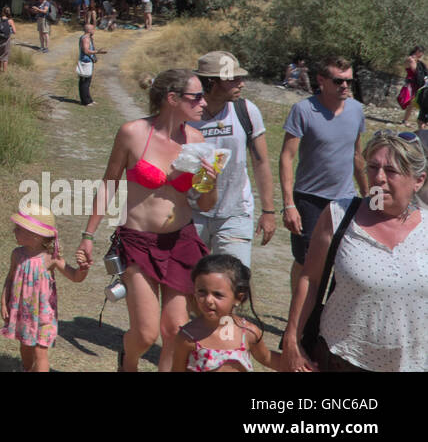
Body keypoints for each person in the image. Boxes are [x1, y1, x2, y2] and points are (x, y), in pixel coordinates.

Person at [78, 69, 220, 372]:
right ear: (172, 98)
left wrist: (211, 182)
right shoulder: (132, 133)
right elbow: (109, 183)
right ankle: (128, 360)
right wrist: (87, 236)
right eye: (196, 97)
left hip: (181, 242)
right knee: (145, 334)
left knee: (175, 332)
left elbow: (205, 203)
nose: (203, 103)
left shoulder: (196, 139)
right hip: (137, 242)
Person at [280, 130, 428, 372]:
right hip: (342, 360)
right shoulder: (339, 215)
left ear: (418, 180)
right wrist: (292, 339)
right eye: (373, 167)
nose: (379, 178)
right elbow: (310, 278)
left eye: (391, 171)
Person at [279, 56, 366, 294]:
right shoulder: (303, 110)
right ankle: (297, 320)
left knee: (342, 262)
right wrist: (288, 205)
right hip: (309, 199)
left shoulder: (357, 110)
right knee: (307, 263)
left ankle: (321, 323)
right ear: (321, 80)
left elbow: (358, 157)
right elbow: (287, 157)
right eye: (338, 81)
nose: (345, 86)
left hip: (345, 200)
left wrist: (370, 197)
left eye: (349, 81)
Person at [189, 52, 274, 268]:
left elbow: (261, 162)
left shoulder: (246, 111)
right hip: (190, 213)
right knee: (188, 284)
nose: (241, 84)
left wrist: (268, 211)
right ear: (211, 83)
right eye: (233, 79)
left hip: (235, 212)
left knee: (233, 282)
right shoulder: (186, 113)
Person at [0, 204, 89, 371]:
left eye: (18, 229)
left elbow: (75, 277)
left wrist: (83, 269)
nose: (14, 231)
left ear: (36, 235)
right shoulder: (17, 254)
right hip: (23, 312)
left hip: (43, 314)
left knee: (41, 352)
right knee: (25, 348)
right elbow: (10, 278)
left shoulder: (51, 258)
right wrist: (4, 302)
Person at [169, 255, 279, 372]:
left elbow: (267, 358)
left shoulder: (248, 333)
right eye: (202, 292)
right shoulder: (188, 337)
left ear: (238, 298)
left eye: (217, 294)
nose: (208, 300)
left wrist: (297, 363)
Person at [78, 24, 104, 106]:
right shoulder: (86, 38)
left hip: (88, 61)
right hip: (85, 61)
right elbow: (86, 51)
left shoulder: (88, 38)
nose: (94, 31)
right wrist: (97, 52)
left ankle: (89, 99)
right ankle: (85, 101)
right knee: (84, 82)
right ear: (89, 30)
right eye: (93, 29)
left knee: (87, 82)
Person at [401, 46, 426, 125]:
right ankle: (405, 120)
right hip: (412, 82)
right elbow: (415, 71)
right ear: (417, 52)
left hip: (415, 82)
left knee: (413, 102)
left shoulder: (417, 60)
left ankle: (406, 120)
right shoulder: (411, 59)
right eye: (421, 52)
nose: (422, 54)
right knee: (411, 101)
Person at [0, 6, 15, 72]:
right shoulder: (10, 21)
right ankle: (4, 73)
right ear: (9, 12)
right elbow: (14, 31)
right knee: (5, 56)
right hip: (6, 39)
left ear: (3, 12)